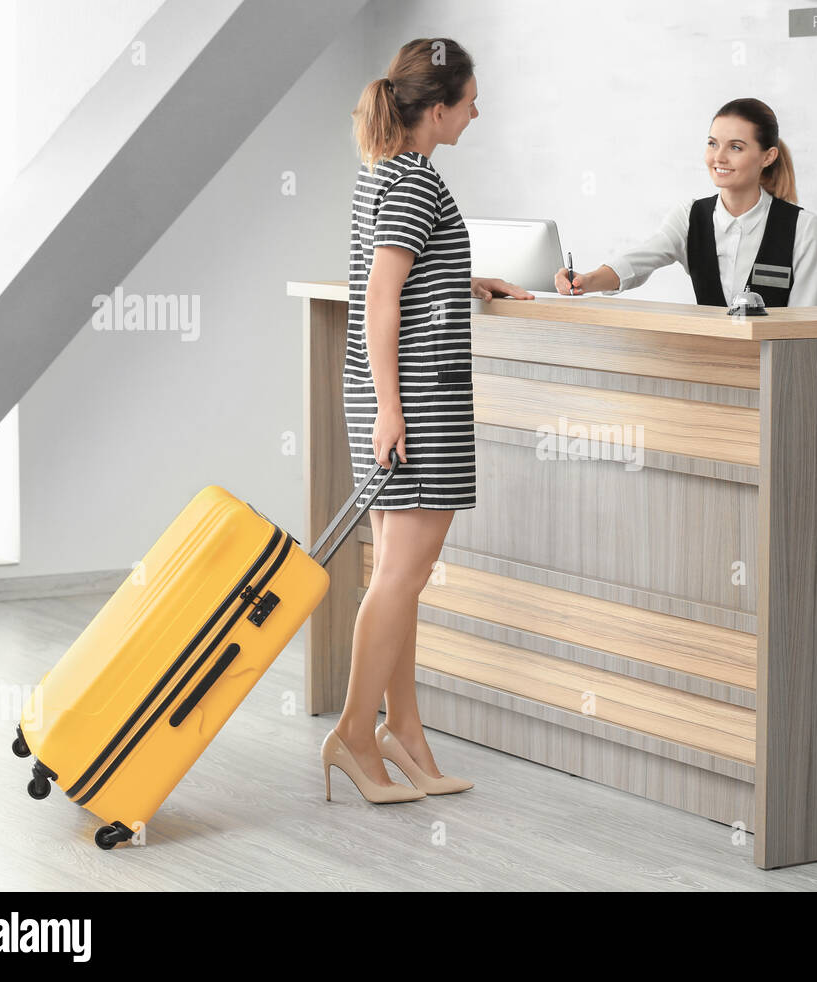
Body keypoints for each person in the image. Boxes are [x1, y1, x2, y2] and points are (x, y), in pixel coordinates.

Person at [323, 37, 533, 804]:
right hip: (416, 400)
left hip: (402, 394)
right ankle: (353, 733)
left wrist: (463, 277)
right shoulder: (413, 183)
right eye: (470, 101)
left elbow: (400, 280)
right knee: (404, 576)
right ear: (437, 109)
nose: (477, 113)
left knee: (398, 579)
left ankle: (403, 730)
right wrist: (391, 407)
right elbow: (379, 298)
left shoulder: (388, 174)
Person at [555, 98, 817, 308]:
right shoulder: (689, 216)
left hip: (777, 368)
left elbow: (805, 321)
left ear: (768, 156)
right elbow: (637, 261)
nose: (719, 157)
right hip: (705, 364)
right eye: (712, 143)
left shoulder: (803, 227)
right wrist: (586, 281)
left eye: (736, 147)